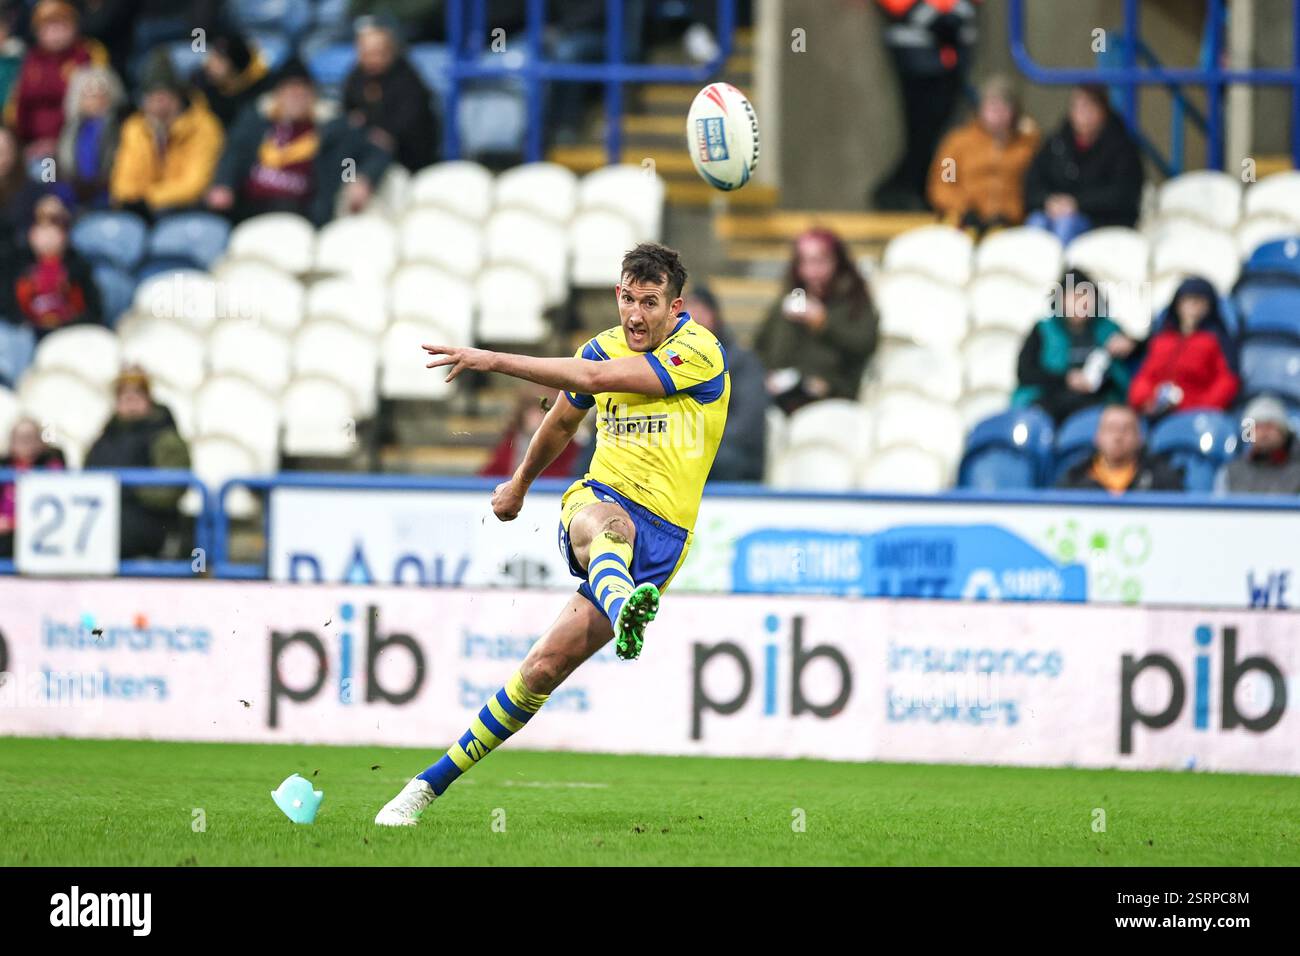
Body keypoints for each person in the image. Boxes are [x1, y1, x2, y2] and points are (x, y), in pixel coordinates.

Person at [375, 243, 730, 825]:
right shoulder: (604, 346)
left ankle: (427, 784)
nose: (634, 315)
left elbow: (590, 378)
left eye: (649, 302)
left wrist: (491, 360)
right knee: (607, 526)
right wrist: (518, 483)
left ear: (675, 306)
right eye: (626, 299)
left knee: (542, 669)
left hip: (665, 536)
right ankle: (624, 609)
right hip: (601, 502)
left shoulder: (699, 351)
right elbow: (563, 419)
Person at [206, 57, 391, 227]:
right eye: (289, 92)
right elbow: (233, 153)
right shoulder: (256, 122)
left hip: (301, 213)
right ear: (277, 96)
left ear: (313, 97)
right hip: (250, 209)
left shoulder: (333, 128)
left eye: (302, 92)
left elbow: (377, 151)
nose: (295, 98)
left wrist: (362, 179)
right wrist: (223, 183)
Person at [870, 0, 980, 211]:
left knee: (942, 130)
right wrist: (930, 16)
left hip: (954, 54)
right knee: (922, 129)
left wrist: (956, 14)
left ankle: (922, 190)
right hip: (916, 53)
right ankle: (904, 189)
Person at [754, 228, 879, 415]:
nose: (811, 270)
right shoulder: (788, 300)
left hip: (835, 396)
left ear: (837, 261)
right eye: (804, 261)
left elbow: (864, 344)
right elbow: (761, 348)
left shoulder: (854, 299)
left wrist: (823, 323)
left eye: (819, 261)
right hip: (784, 393)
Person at [83, 366, 191, 559]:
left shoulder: (165, 437)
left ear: (149, 398)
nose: (130, 399)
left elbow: (171, 489)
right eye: (124, 395)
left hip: (151, 522)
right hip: (104, 517)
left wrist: (129, 489)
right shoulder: (103, 439)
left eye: (137, 394)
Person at [1024, 84, 1144, 245]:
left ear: (1103, 110)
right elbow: (1032, 183)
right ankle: (1037, 270)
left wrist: (1077, 204)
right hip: (1055, 213)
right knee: (1036, 222)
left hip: (1101, 221)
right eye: (1077, 106)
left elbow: (1122, 194)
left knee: (1066, 225)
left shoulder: (1121, 145)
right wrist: (1049, 201)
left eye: (1088, 106)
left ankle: (1065, 271)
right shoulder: (1058, 142)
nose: (1082, 113)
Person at [109, 52, 223, 219]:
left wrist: (149, 198)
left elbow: (195, 184)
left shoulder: (203, 127)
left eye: (164, 95)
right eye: (152, 96)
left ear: (178, 96)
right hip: (140, 208)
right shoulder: (134, 127)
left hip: (186, 208)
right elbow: (122, 181)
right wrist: (132, 200)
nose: (158, 102)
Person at [1013, 270, 1135, 425]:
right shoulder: (1043, 329)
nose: (1081, 302)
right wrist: (1067, 380)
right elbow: (1025, 371)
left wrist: (1132, 345)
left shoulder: (1109, 329)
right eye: (1074, 296)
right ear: (1060, 300)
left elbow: (1141, 355)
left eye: (1086, 296)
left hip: (1099, 401)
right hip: (1050, 400)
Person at [926, 75, 1038, 236]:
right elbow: (942, 185)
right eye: (992, 107)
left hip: (1012, 227)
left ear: (1015, 112)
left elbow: (1034, 188)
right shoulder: (956, 144)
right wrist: (964, 209)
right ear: (980, 109)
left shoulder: (1028, 146)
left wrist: (1011, 213)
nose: (998, 114)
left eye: (1004, 108)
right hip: (964, 225)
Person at [5, 0, 108, 161]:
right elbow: (18, 105)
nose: (56, 34)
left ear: (74, 27)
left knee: (50, 175)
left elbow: (96, 103)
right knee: (37, 175)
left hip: (73, 142)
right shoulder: (31, 59)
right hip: (31, 145)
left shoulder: (87, 54)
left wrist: (59, 141)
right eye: (49, 28)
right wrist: (21, 141)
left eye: (62, 26)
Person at [1128, 276, 1238, 419]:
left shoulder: (1217, 341)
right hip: (1155, 412)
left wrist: (1194, 406)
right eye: (1187, 301)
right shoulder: (1161, 340)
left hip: (1197, 416)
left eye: (1199, 302)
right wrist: (1147, 399)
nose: (1193, 306)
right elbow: (1144, 377)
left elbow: (1227, 382)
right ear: (1177, 305)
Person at [688, 286, 767, 481]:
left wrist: (701, 443)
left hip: (731, 450)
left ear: (715, 316)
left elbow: (747, 421)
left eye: (700, 313)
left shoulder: (742, 361)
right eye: (686, 316)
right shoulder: (668, 363)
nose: (693, 321)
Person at [342, 16, 439, 172]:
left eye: (378, 53)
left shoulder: (408, 79)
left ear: (391, 51)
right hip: (365, 148)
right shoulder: (356, 77)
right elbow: (348, 110)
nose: (373, 60)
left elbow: (412, 122)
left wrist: (384, 132)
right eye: (367, 53)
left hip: (406, 156)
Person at [1, 196, 103, 339]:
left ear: (66, 234)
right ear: (32, 233)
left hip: (68, 335)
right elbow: (8, 307)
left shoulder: (79, 266)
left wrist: (65, 328)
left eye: (55, 226)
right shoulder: (15, 263)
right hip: (26, 335)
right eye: (42, 226)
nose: (48, 234)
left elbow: (93, 311)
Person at [1057, 403, 1184, 493]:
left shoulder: (1162, 478)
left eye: (1126, 430)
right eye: (1111, 429)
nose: (1118, 437)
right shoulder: (1075, 478)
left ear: (1139, 438)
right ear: (1097, 437)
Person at [56, 64, 125, 210]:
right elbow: (57, 165)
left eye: (101, 93)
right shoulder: (69, 129)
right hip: (72, 194)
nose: (95, 99)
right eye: (89, 94)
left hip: (107, 194)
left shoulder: (121, 126)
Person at [0, 416, 66, 559]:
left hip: (42, 536)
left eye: (29, 437)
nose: (24, 442)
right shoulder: (4, 465)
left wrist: (13, 523)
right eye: (19, 437)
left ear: (39, 440)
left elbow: (56, 505)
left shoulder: (52, 464)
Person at [480, 391, 580, 479]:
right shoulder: (510, 441)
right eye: (532, 411)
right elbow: (489, 474)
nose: (536, 417)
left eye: (542, 411)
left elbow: (565, 475)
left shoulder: (565, 444)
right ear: (523, 414)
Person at [1216, 396, 1300, 495]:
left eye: (1270, 426)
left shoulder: (1297, 473)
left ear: (1283, 433)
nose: (1264, 432)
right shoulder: (1230, 473)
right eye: (1258, 427)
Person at [191, 31, 273, 129]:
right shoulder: (201, 81)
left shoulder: (260, 94)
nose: (209, 64)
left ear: (235, 68)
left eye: (219, 60)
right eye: (212, 56)